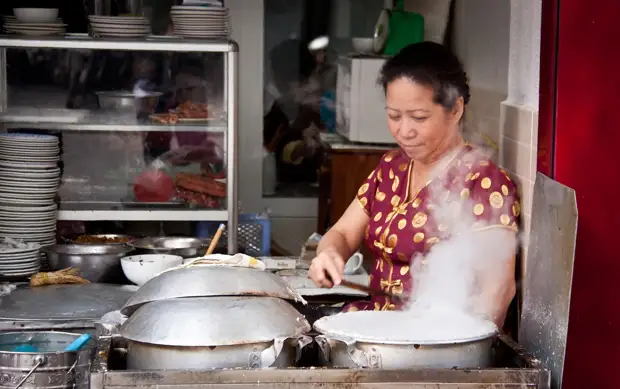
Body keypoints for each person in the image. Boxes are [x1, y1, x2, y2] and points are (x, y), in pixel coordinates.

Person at [308, 42, 520, 326]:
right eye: (394, 116)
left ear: (455, 109)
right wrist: (330, 254)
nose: (404, 131)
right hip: (373, 328)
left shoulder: (483, 183)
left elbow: (498, 290)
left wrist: (460, 349)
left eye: (419, 118)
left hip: (434, 343)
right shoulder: (391, 167)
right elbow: (344, 233)